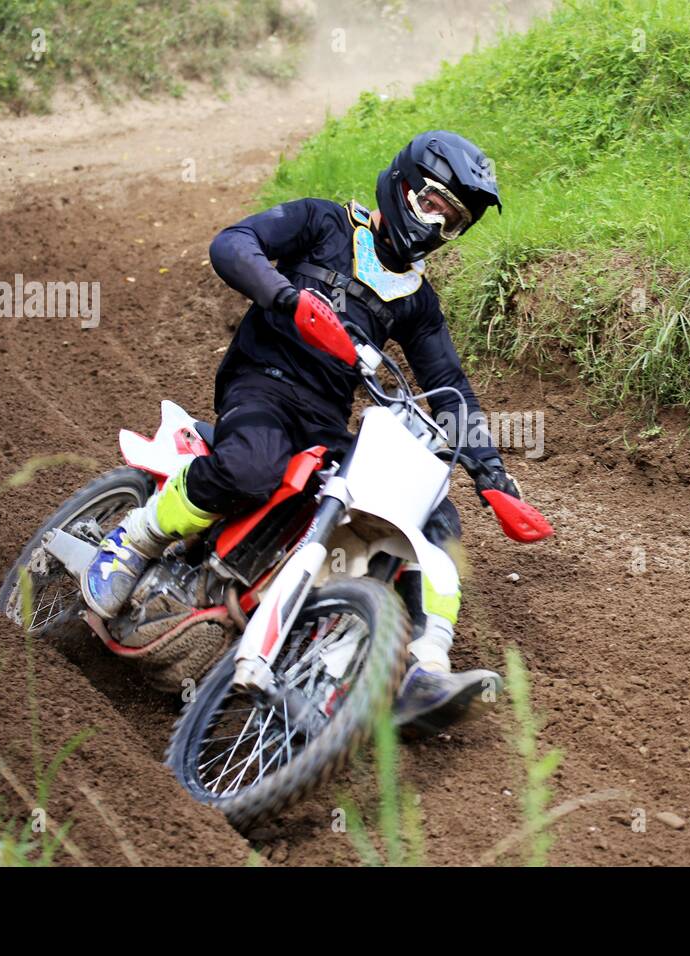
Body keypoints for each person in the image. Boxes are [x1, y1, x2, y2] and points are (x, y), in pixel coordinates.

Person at [81, 131, 520, 729]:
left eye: (452, 219)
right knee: (252, 464)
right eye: (434, 203)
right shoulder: (324, 224)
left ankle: (422, 663)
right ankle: (137, 537)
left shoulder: (417, 302)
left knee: (430, 511)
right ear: (404, 185)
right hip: (261, 382)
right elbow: (232, 243)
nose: (436, 223)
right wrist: (286, 297)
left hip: (322, 419)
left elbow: (450, 387)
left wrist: (490, 476)